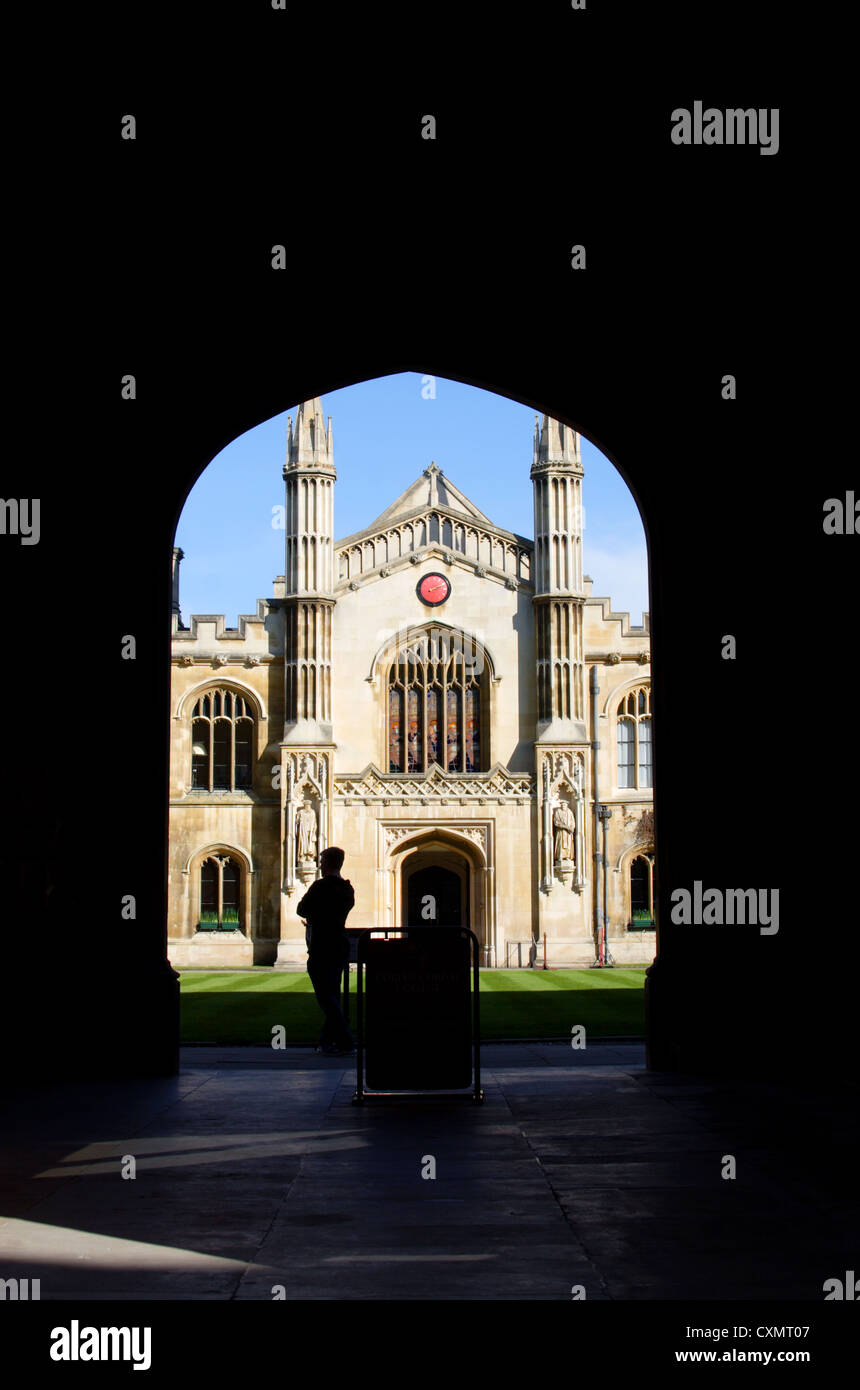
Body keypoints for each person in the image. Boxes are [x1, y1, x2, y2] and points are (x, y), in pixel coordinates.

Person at [297, 846, 356, 1055]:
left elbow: (301, 909)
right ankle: (326, 1042)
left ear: (329, 863)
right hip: (339, 945)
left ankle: (347, 1042)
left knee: (326, 997)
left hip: (322, 945)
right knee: (333, 995)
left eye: (322, 861)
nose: (319, 865)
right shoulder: (348, 889)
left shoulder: (320, 887)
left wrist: (315, 918)